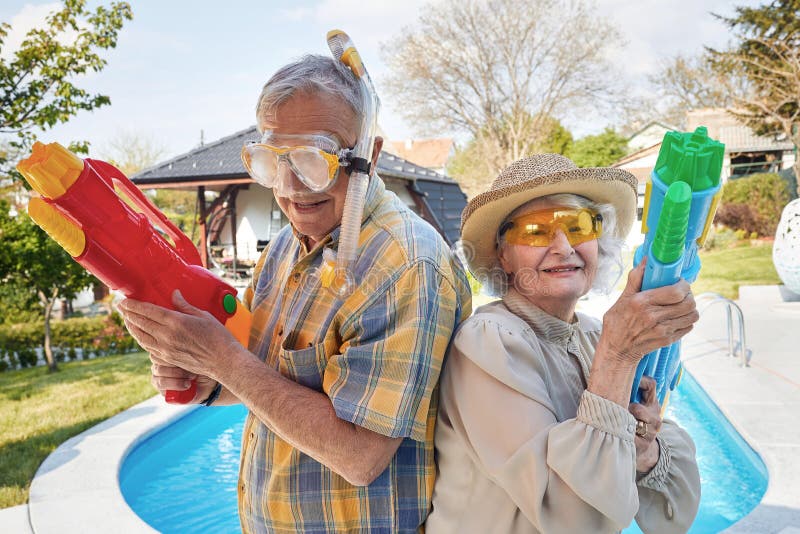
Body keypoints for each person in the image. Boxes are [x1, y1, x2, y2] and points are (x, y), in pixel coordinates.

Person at [119, 54, 471, 533]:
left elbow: (360, 454)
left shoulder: (406, 263)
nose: (290, 188)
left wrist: (223, 361)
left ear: (371, 153)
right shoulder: (288, 244)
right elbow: (255, 376)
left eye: (311, 160)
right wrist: (200, 375)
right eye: (271, 162)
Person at [426, 154, 701, 533]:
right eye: (535, 231)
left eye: (577, 226)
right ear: (503, 256)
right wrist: (619, 356)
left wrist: (644, 449)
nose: (562, 246)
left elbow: (676, 511)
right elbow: (574, 516)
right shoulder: (488, 341)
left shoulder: (593, 334)